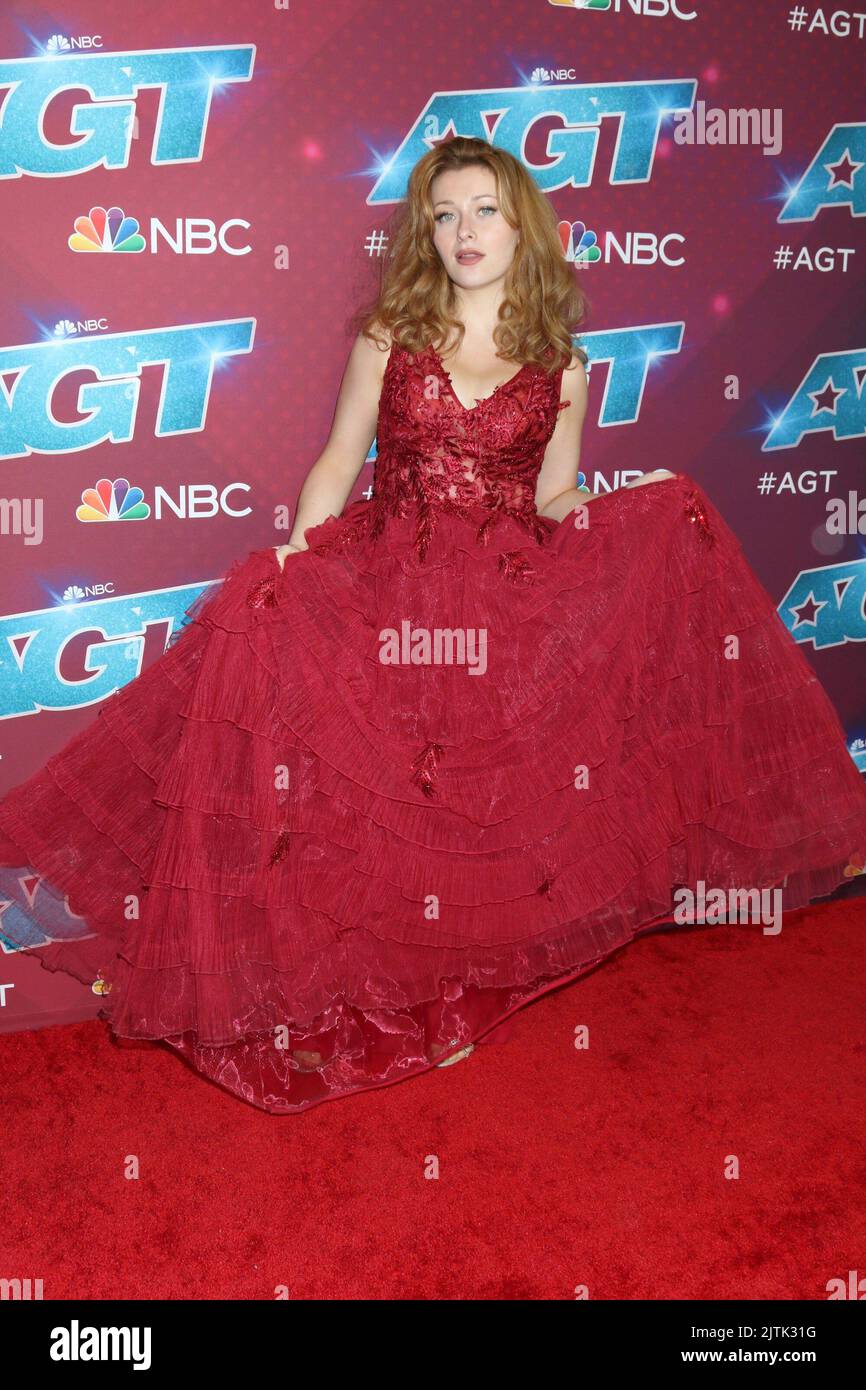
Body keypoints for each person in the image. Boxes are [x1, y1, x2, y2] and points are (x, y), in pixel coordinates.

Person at [1, 137, 865, 1115]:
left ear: (520, 225)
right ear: (426, 231)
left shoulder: (561, 363)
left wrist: (641, 503)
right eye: (444, 213)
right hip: (385, 585)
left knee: (465, 819)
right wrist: (299, 551)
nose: (463, 230)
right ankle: (380, 996)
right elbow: (339, 460)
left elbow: (552, 496)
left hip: (505, 606)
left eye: (483, 209)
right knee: (377, 808)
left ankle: (446, 992)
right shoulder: (390, 336)